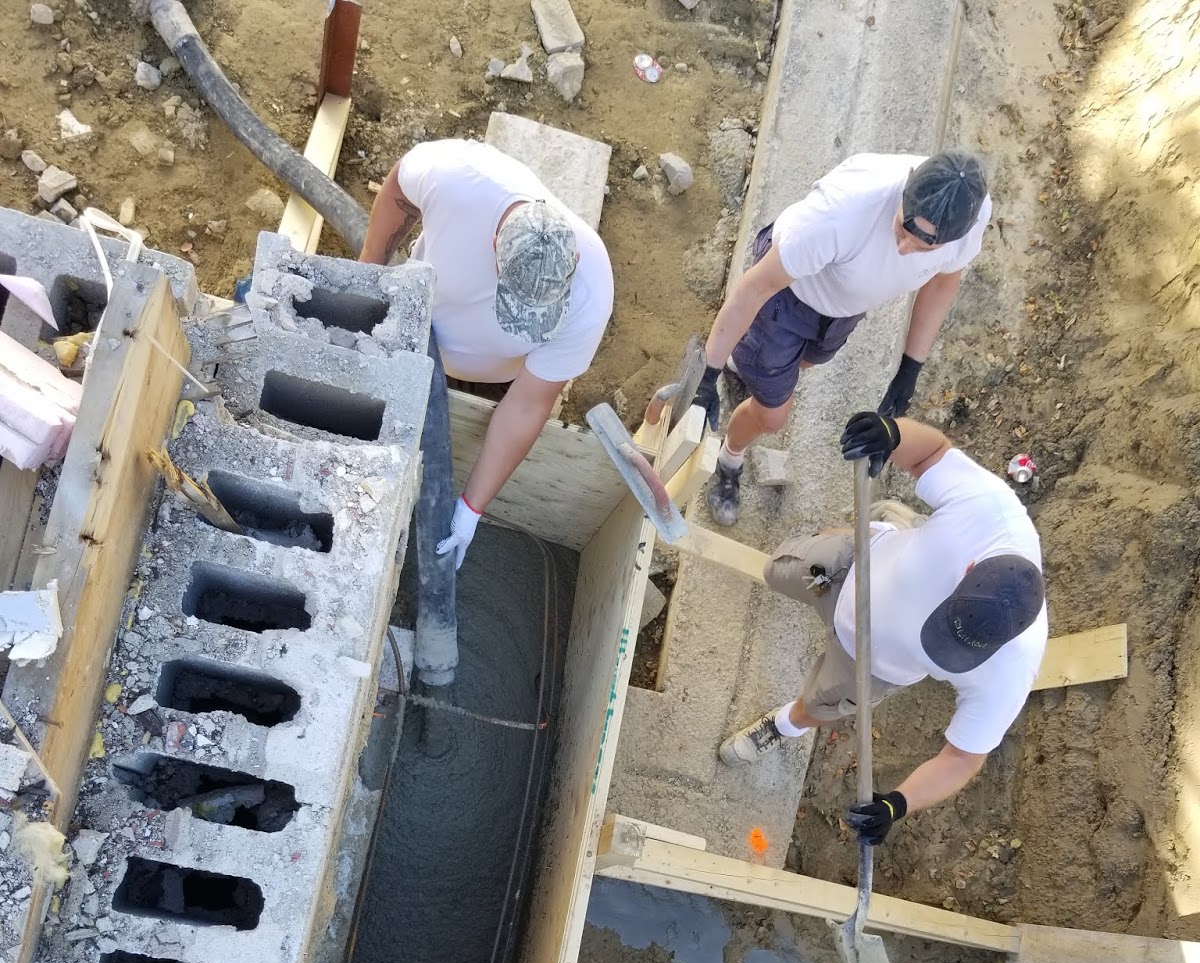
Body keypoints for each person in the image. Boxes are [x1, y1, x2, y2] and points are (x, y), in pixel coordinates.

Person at [719, 412, 1048, 847]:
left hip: (874, 666)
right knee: (776, 568)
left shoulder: (1012, 671)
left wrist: (899, 803)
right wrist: (892, 435)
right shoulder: (990, 512)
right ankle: (892, 526)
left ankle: (782, 726)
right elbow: (931, 452)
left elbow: (963, 759)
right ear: (968, 568)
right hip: (851, 568)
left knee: (819, 704)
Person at [690, 151, 991, 527]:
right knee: (772, 416)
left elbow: (944, 280)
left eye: (923, 248)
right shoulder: (841, 214)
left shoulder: (972, 214)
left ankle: (749, 364)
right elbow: (755, 289)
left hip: (843, 307)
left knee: (808, 362)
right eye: (901, 228)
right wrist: (707, 376)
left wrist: (909, 370)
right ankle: (730, 458)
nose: (903, 249)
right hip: (787, 297)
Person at [359, 139, 615, 569]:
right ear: (496, 242)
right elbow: (400, 189)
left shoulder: (592, 295)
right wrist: (370, 263)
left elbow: (529, 403)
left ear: (573, 258)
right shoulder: (459, 178)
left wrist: (471, 509)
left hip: (498, 378)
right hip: (416, 327)